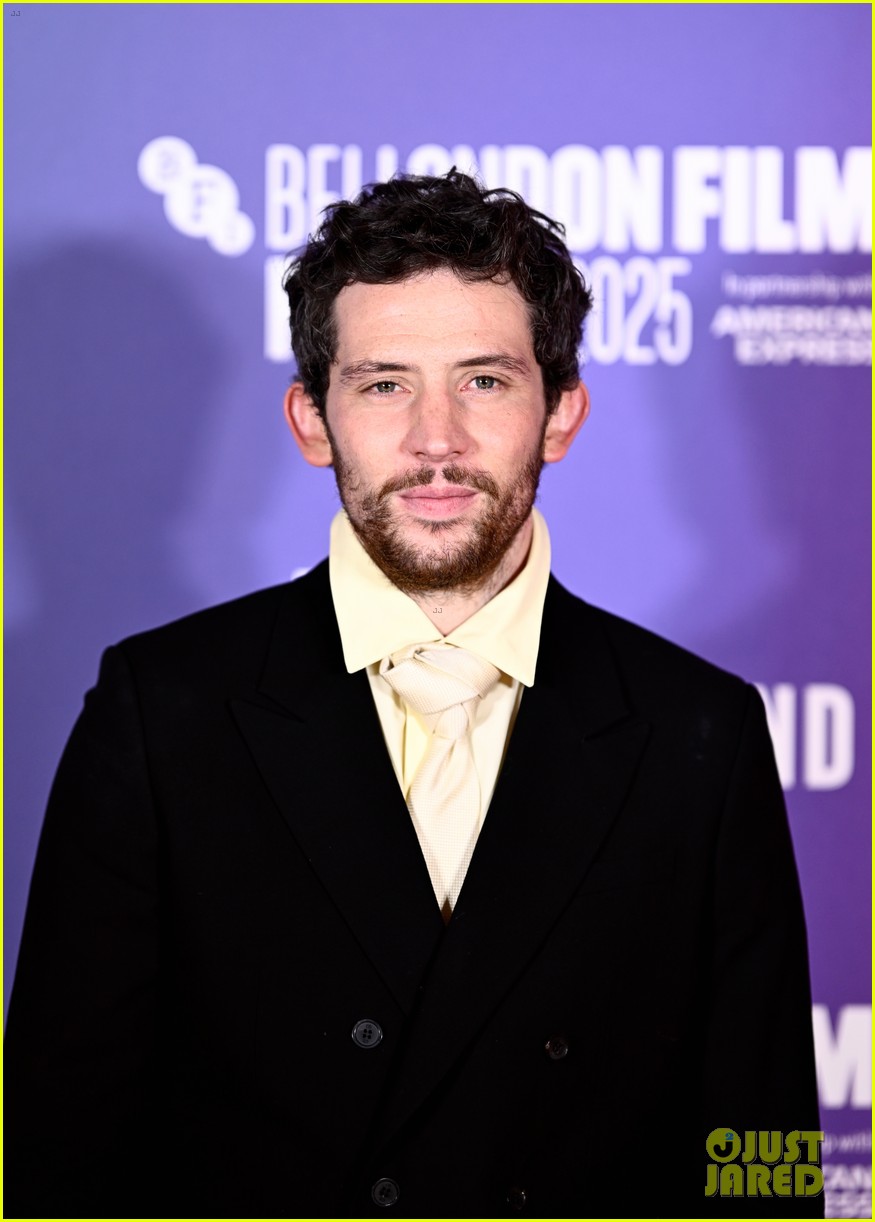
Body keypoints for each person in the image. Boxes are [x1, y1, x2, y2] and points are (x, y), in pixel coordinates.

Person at [6, 171, 821, 1219]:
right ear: (312, 418)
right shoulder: (160, 713)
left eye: (482, 382)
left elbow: (762, 1154)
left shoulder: (697, 729)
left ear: (561, 413)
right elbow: (57, 1144)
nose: (436, 442)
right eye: (384, 383)